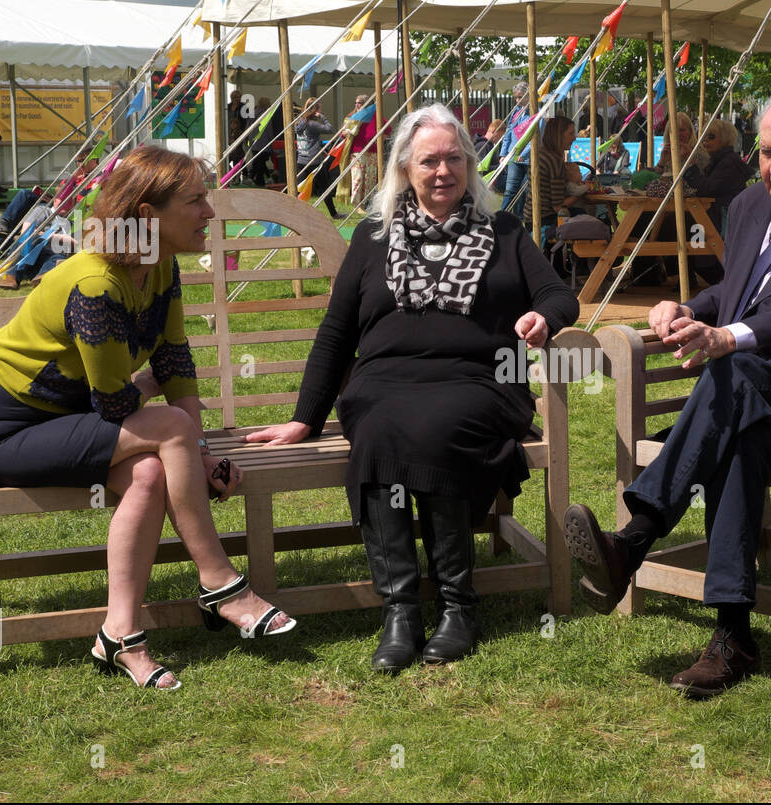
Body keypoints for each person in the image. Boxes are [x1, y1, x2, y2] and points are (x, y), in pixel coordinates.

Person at [564, 84, 771, 697]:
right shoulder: (748, 206)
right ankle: (731, 638)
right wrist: (687, 305)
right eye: (767, 152)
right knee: (738, 422)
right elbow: (739, 292)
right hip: (753, 390)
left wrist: (729, 338)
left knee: (735, 377)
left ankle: (636, 538)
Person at [247, 103, 578, 673]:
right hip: (385, 383)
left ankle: (457, 604)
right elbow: (336, 332)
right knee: (379, 424)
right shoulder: (373, 236)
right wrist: (305, 416)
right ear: (405, 166)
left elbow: (558, 294)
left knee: (438, 423)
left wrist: (543, 319)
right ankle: (400, 610)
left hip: (480, 381)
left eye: (454, 159)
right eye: (430, 161)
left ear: (470, 166)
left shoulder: (503, 230)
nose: (443, 171)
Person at [0, 145, 296, 691]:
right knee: (168, 429)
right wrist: (186, 437)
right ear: (147, 216)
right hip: (8, 436)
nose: (210, 213)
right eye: (196, 201)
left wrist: (200, 454)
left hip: (75, 423)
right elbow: (118, 405)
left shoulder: (160, 266)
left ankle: (120, 636)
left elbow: (173, 361)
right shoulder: (96, 284)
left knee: (150, 471)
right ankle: (220, 583)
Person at [683, 117, 753, 234]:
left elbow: (707, 189)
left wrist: (691, 165)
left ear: (725, 138)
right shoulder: (719, 160)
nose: (705, 141)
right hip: (717, 218)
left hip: (724, 223)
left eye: (711, 136)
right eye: (703, 136)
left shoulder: (729, 162)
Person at [529, 116, 577, 249]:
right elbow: (558, 206)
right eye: (571, 134)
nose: (574, 138)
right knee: (585, 219)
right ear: (558, 135)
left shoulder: (541, 153)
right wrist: (581, 193)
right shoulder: (554, 160)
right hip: (544, 220)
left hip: (530, 216)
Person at [294, 97, 339, 217]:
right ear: (315, 111)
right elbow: (331, 129)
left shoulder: (299, 122)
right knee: (324, 188)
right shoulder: (312, 124)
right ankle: (333, 213)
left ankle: (296, 213)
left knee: (299, 189)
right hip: (314, 161)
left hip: (301, 160)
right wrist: (322, 117)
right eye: (320, 109)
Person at [499, 82, 533, 218]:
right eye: (516, 97)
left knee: (525, 191)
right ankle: (502, 217)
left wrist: (523, 154)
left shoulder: (535, 112)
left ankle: (519, 218)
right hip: (513, 157)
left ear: (528, 95)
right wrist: (503, 154)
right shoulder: (515, 113)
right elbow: (508, 133)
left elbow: (534, 137)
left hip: (529, 158)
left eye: (520, 97)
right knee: (510, 190)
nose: (517, 100)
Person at [347, 94, 380, 210]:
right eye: (356, 102)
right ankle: (357, 206)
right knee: (358, 178)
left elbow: (387, 129)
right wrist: (348, 132)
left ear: (366, 104)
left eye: (360, 102)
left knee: (369, 180)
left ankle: (366, 204)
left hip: (372, 152)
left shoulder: (375, 115)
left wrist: (378, 140)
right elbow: (343, 132)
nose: (357, 105)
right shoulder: (353, 117)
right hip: (357, 152)